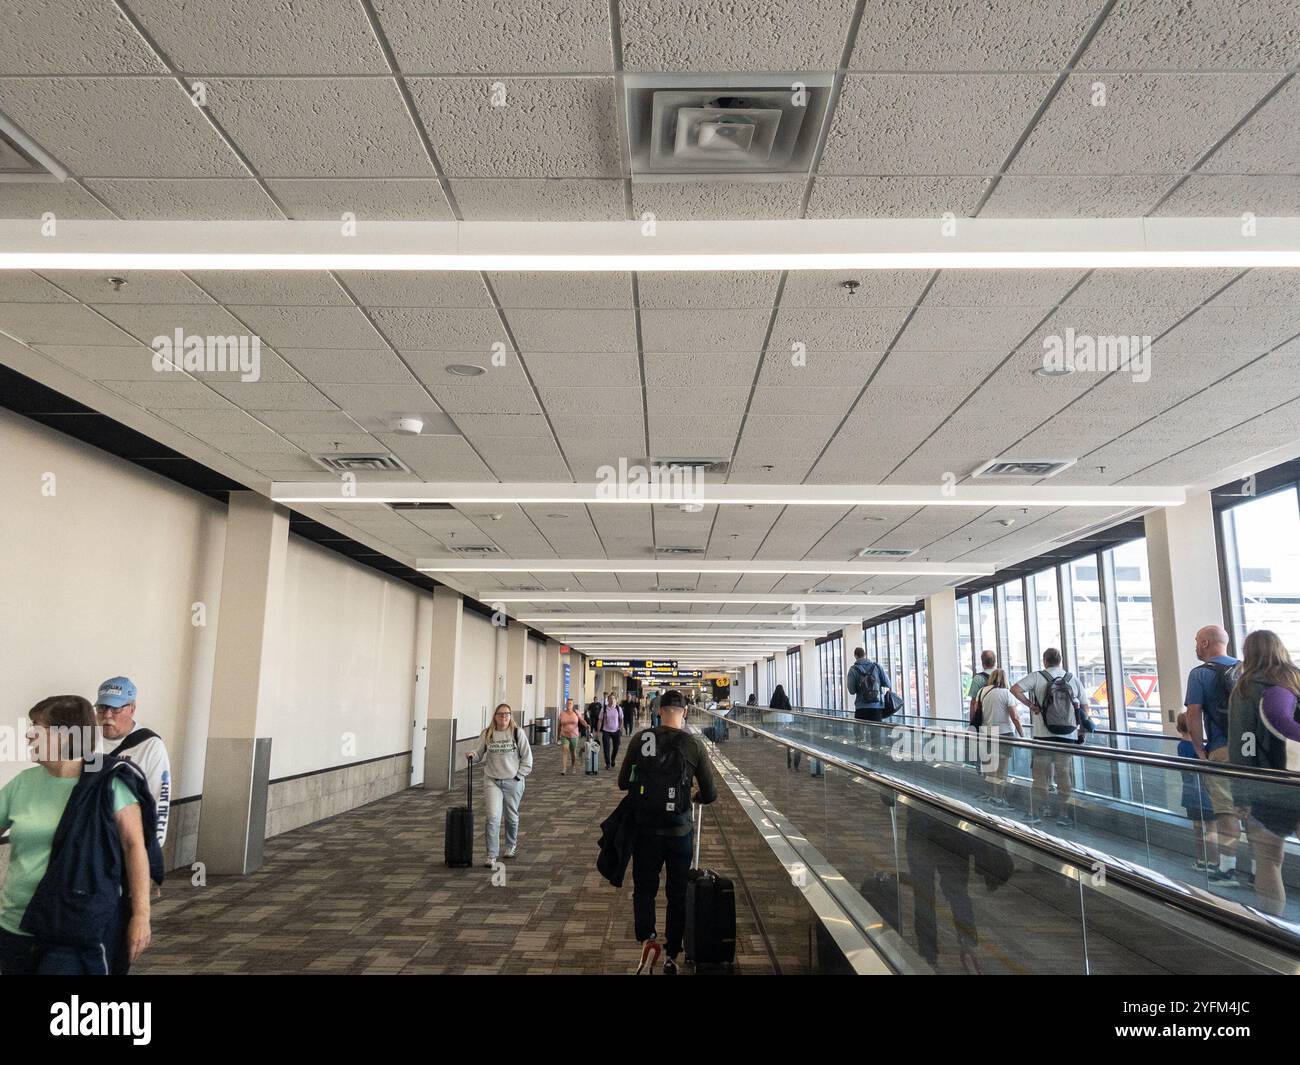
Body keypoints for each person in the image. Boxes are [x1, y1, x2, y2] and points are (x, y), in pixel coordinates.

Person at [0, 695, 161, 975]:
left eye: (36, 727)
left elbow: (135, 847)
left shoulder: (107, 783)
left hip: (75, 926)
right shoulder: (22, 784)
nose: (28, 735)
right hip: (14, 924)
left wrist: (141, 915)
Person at [618, 689, 718, 975]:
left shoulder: (641, 739)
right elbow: (710, 794)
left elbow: (623, 782)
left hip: (646, 830)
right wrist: (693, 796)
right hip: (679, 831)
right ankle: (673, 952)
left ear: (659, 711)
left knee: (645, 889)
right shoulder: (693, 745)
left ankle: (648, 938)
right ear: (684, 712)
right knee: (677, 893)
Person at [1227, 629, 1300, 915]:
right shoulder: (1295, 681)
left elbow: (1243, 745)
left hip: (1269, 788)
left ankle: (1273, 931)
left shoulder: (1247, 688)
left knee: (1269, 860)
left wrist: (1241, 796)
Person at [1182, 625, 1242, 884]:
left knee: (1226, 810)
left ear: (1206, 643)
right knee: (1250, 810)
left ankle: (1228, 869)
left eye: (1197, 641)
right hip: (1251, 752)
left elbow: (1193, 714)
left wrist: (1199, 749)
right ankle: (1257, 869)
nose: (1195, 645)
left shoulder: (1199, 674)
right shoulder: (1243, 669)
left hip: (1221, 749)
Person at [1011, 648, 1087, 828]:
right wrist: (1081, 731)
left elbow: (1015, 689)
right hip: (1068, 735)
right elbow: (1084, 706)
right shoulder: (1072, 678)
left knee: (1040, 776)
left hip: (1043, 735)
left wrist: (1031, 705)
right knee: (1063, 774)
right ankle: (1063, 814)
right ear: (1060, 660)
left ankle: (1036, 811)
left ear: (1045, 661)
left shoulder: (1037, 677)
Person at [94, 676, 172, 848]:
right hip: (93, 840)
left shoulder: (150, 745)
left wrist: (152, 851)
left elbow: (160, 800)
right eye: (102, 708)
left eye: (116, 709)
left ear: (132, 709)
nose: (107, 715)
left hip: (128, 842)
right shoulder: (87, 739)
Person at [467, 704, 533, 867]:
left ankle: (510, 846)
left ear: (511, 717)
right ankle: (491, 854)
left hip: (513, 781)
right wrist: (472, 755)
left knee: (511, 816)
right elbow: (478, 753)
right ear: (495, 716)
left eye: (507, 714)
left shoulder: (518, 733)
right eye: (500, 714)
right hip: (492, 781)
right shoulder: (488, 733)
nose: (504, 717)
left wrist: (519, 776)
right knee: (493, 818)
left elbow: (527, 758)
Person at [1175, 712, 1218, 871]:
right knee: (1212, 828)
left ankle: (1201, 860)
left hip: (1190, 793)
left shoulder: (1181, 747)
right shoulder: (1200, 747)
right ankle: (1214, 862)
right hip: (1205, 793)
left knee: (1198, 829)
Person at [975, 669, 1022, 807]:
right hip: (1004, 734)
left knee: (989, 767)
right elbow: (1015, 717)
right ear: (1005, 679)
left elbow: (978, 712)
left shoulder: (982, 692)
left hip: (986, 732)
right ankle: (1000, 797)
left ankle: (991, 794)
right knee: (1002, 768)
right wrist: (1022, 735)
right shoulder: (1006, 693)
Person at [846, 647, 891, 722]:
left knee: (859, 733)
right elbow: (888, 684)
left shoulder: (853, 670)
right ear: (865, 654)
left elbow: (852, 691)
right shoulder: (877, 666)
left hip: (861, 708)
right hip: (876, 707)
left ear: (855, 656)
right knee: (876, 733)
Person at [556, 698, 587, 776]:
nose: (569, 705)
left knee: (573, 752)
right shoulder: (562, 713)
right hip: (564, 735)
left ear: (573, 705)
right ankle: (564, 768)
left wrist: (586, 725)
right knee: (565, 750)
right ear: (566, 704)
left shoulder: (576, 713)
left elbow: (582, 720)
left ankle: (573, 766)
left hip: (574, 735)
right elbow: (559, 725)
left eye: (570, 703)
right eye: (568, 703)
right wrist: (558, 735)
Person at [969, 650, 997, 725]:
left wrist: (972, 721)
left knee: (988, 736)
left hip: (985, 722)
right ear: (995, 661)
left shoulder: (978, 678)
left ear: (982, 662)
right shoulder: (1003, 677)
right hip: (1004, 726)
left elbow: (973, 702)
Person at [599, 698, 623, 769]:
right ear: (608, 700)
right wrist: (597, 731)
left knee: (616, 747)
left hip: (616, 731)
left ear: (616, 700)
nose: (612, 700)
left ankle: (613, 759)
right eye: (610, 699)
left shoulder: (618, 708)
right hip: (606, 731)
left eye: (613, 699)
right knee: (606, 747)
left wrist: (620, 728)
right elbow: (600, 720)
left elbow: (621, 719)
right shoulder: (604, 709)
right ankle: (608, 763)